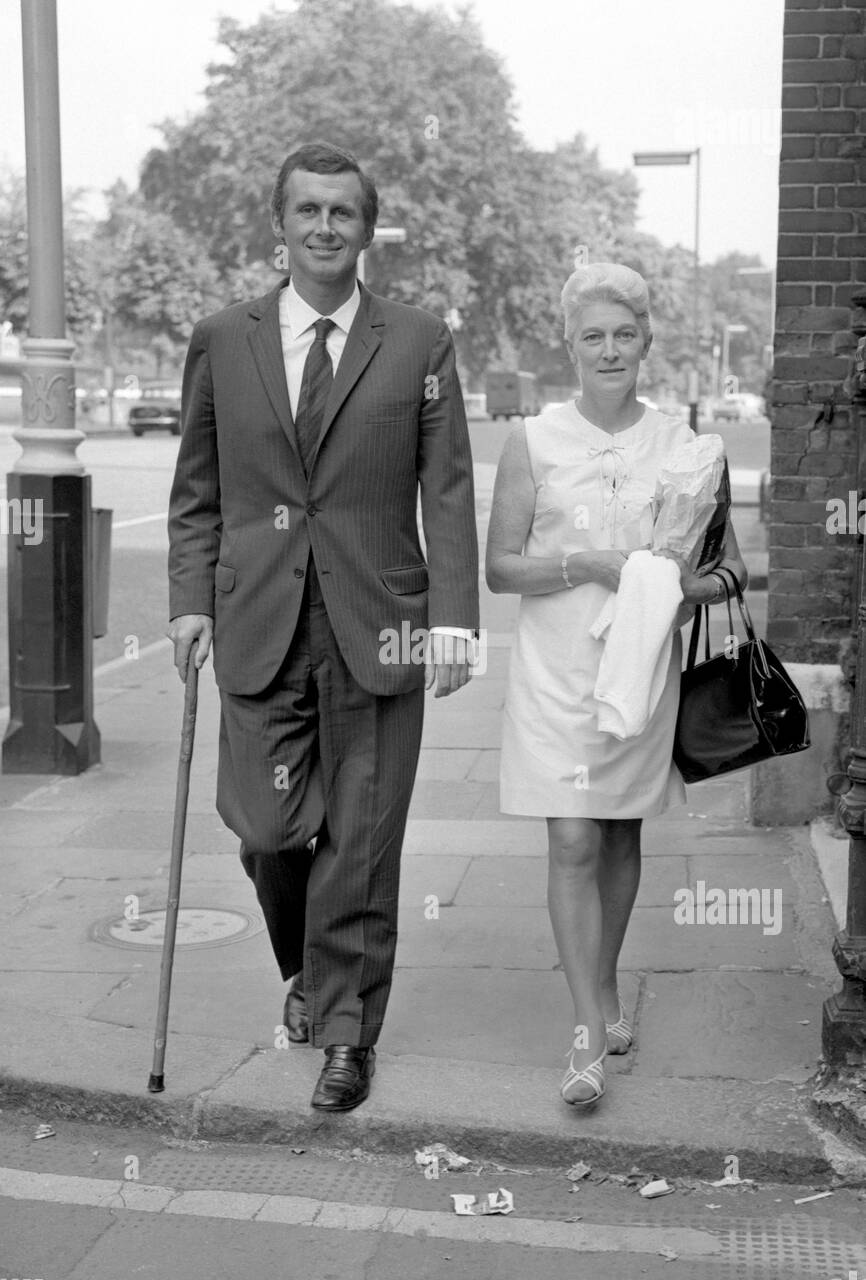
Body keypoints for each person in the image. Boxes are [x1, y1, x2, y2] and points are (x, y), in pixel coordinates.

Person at [167, 142, 479, 1113]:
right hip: (259, 618)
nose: (325, 227)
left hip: (378, 624)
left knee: (362, 841)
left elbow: (447, 489)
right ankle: (310, 963)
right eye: (307, 209)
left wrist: (455, 623)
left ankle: (346, 1029)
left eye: (343, 211)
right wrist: (187, 600)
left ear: (366, 227)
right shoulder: (223, 340)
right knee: (266, 829)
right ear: (281, 223)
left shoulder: (418, 341)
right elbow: (196, 490)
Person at [485, 263, 747, 1108]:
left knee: (621, 838)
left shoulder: (686, 445)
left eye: (624, 335)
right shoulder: (533, 440)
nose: (609, 350)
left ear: (646, 343)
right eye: (592, 335)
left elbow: (732, 569)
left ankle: (604, 982)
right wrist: (587, 564)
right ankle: (586, 1032)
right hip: (554, 673)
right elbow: (500, 568)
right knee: (571, 841)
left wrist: (674, 584)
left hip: (638, 672)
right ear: (569, 344)